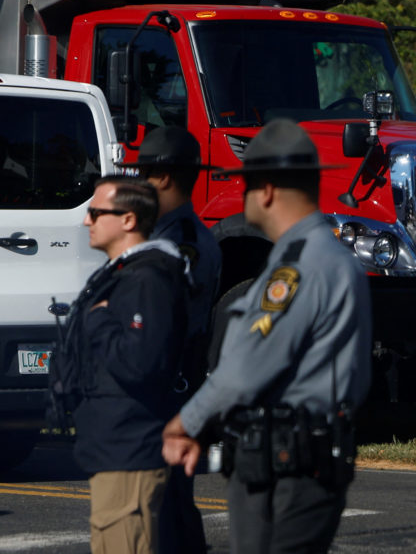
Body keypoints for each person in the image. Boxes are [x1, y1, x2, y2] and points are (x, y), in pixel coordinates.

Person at [161, 119, 371, 554]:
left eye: (245, 184)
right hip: (304, 459)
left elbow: (244, 369)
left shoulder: (297, 267)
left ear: (268, 190)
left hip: (284, 469)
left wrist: (187, 422)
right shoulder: (330, 257)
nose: (242, 195)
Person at [60, 176, 190, 554]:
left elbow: (140, 363)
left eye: (97, 212)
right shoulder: (124, 274)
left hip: (130, 452)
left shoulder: (148, 279)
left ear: (129, 220)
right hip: (112, 450)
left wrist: (99, 321)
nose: (87, 220)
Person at [134, 126, 222, 554]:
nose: (139, 182)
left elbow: (159, 320)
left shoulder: (182, 243)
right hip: (167, 385)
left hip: (170, 386)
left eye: (143, 172)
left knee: (163, 507)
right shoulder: (166, 236)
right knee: (167, 505)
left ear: (164, 177)